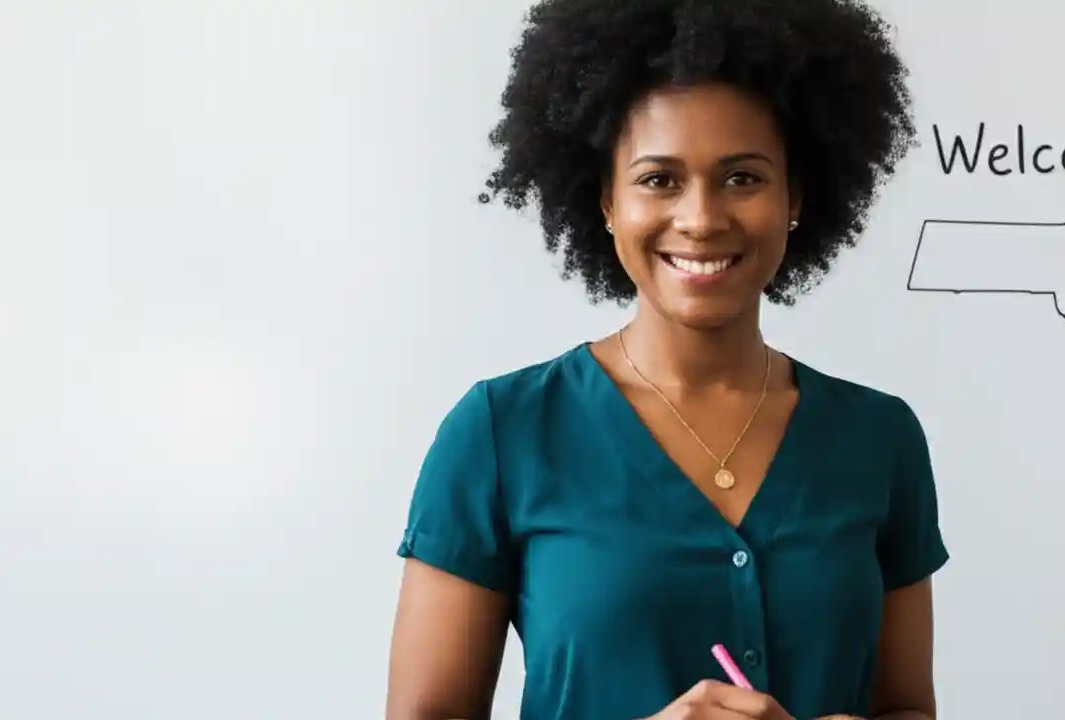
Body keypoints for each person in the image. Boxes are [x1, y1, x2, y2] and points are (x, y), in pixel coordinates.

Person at [386, 1, 948, 718]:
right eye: (659, 179)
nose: (703, 218)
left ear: (796, 198)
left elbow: (908, 708)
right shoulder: (501, 433)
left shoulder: (880, 438)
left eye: (743, 177)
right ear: (607, 202)